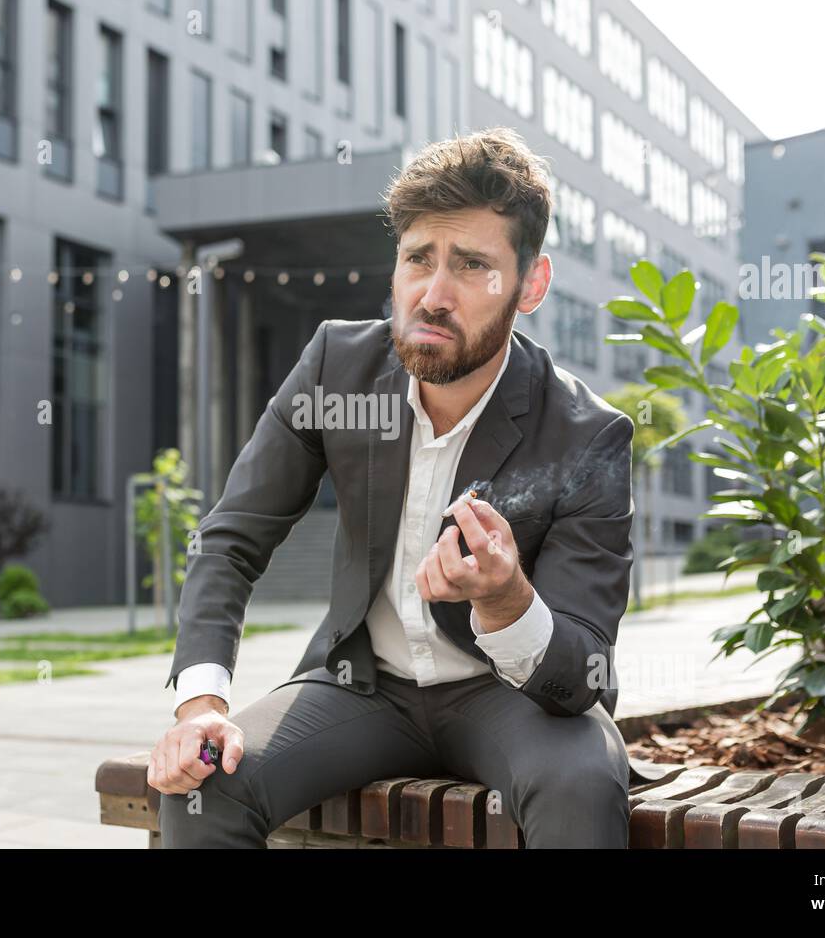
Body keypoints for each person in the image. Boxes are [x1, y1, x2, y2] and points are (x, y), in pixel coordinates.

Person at [150, 127, 639, 848]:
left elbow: (581, 675)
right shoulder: (334, 367)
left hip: (510, 700)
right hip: (359, 687)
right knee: (206, 784)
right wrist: (200, 705)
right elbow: (231, 540)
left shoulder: (585, 434)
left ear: (530, 285)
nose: (433, 296)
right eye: (419, 260)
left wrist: (507, 602)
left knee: (584, 785)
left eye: (472, 265)